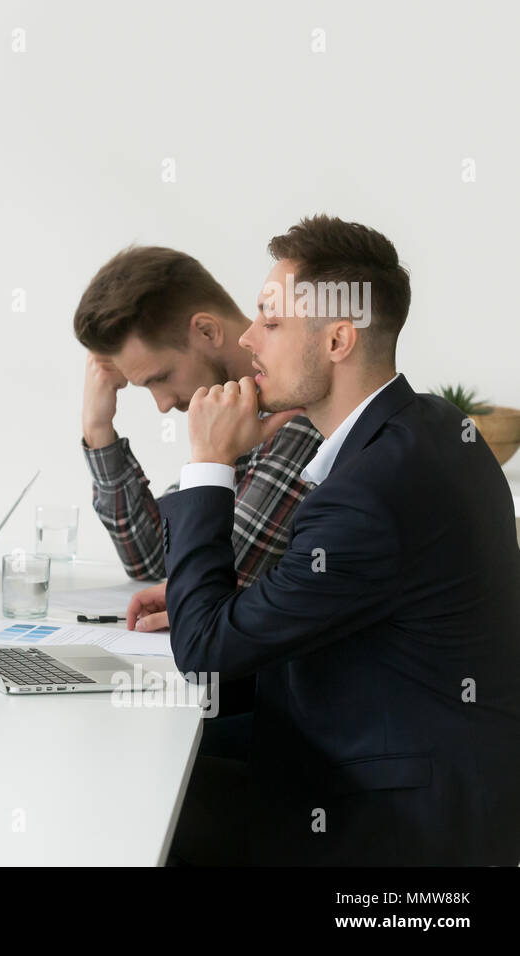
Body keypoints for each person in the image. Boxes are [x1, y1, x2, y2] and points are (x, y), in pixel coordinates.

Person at [147, 215, 520, 865]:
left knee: (147, 809)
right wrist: (233, 600)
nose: (247, 338)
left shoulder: (369, 494)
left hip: (392, 823)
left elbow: (206, 651)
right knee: (156, 760)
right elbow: (360, 598)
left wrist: (208, 463)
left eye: (272, 321)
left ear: (338, 339)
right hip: (409, 767)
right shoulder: (427, 427)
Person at [74, 247, 323, 614]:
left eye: (160, 378)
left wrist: (209, 457)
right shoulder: (234, 409)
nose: (161, 404)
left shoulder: (297, 412)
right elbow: (152, 561)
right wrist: (98, 430)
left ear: (207, 331)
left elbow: (210, 581)